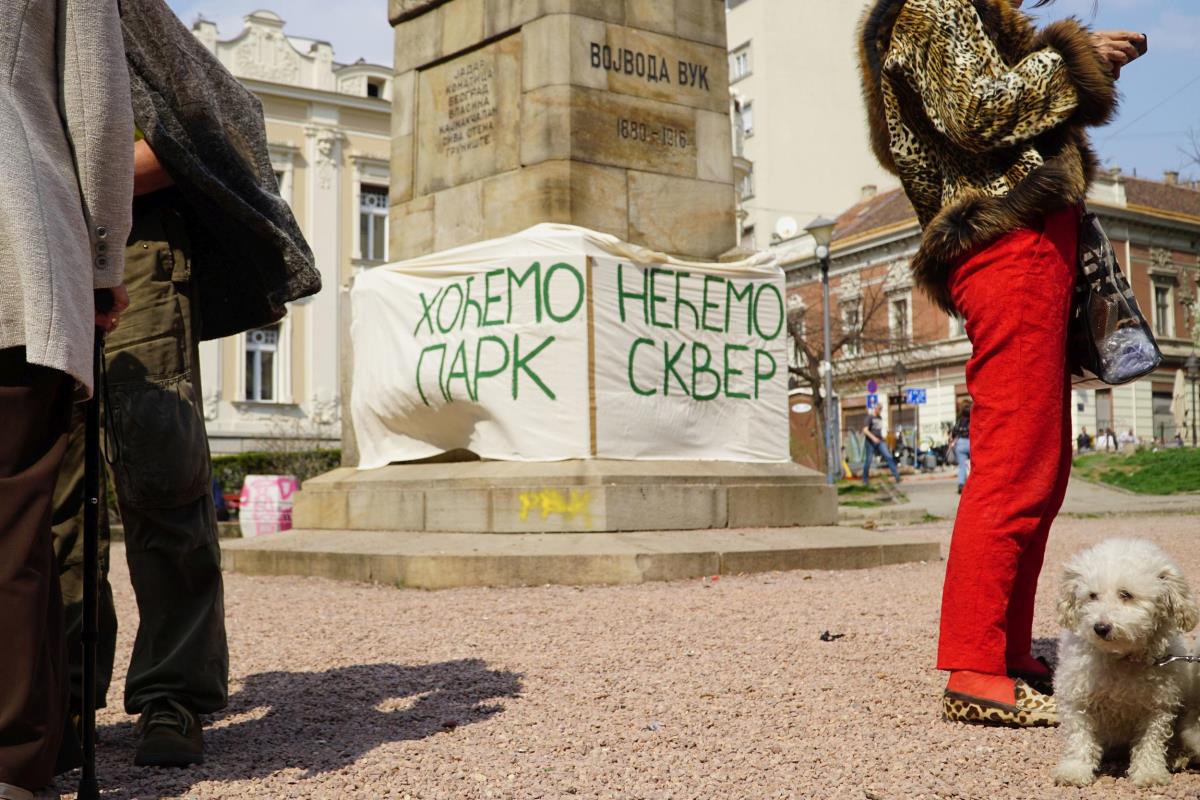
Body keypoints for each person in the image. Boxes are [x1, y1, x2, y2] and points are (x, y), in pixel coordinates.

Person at [50, 0, 320, 769]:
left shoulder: (113, 10)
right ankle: (59, 696)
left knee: (161, 465)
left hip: (132, 239)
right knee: (54, 485)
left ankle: (174, 692)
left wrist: (71, 182)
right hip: (35, 257)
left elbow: (211, 125)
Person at [860, 0, 1143, 726]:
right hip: (1007, 243)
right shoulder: (936, 4)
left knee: (1041, 465)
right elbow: (975, 113)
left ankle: (1006, 650)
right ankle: (975, 667)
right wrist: (1074, 60)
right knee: (1013, 461)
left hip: (1024, 241)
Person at [0, 1, 133, 796]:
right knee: (14, 518)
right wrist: (103, 262)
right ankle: (17, 760)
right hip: (14, 238)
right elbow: (96, 98)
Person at [861, 406, 901, 485]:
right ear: (875, 409)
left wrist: (883, 437)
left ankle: (897, 477)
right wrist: (873, 438)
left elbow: (878, 430)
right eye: (879, 409)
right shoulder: (869, 417)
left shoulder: (880, 418)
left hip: (880, 441)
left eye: (881, 409)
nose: (880, 410)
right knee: (868, 460)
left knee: (888, 456)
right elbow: (865, 430)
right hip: (870, 442)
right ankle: (865, 479)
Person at [949, 400, 972, 494]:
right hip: (971, 443)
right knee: (975, 465)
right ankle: (973, 484)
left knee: (962, 466)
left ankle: (961, 485)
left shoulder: (959, 421)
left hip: (960, 444)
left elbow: (953, 433)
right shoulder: (973, 420)